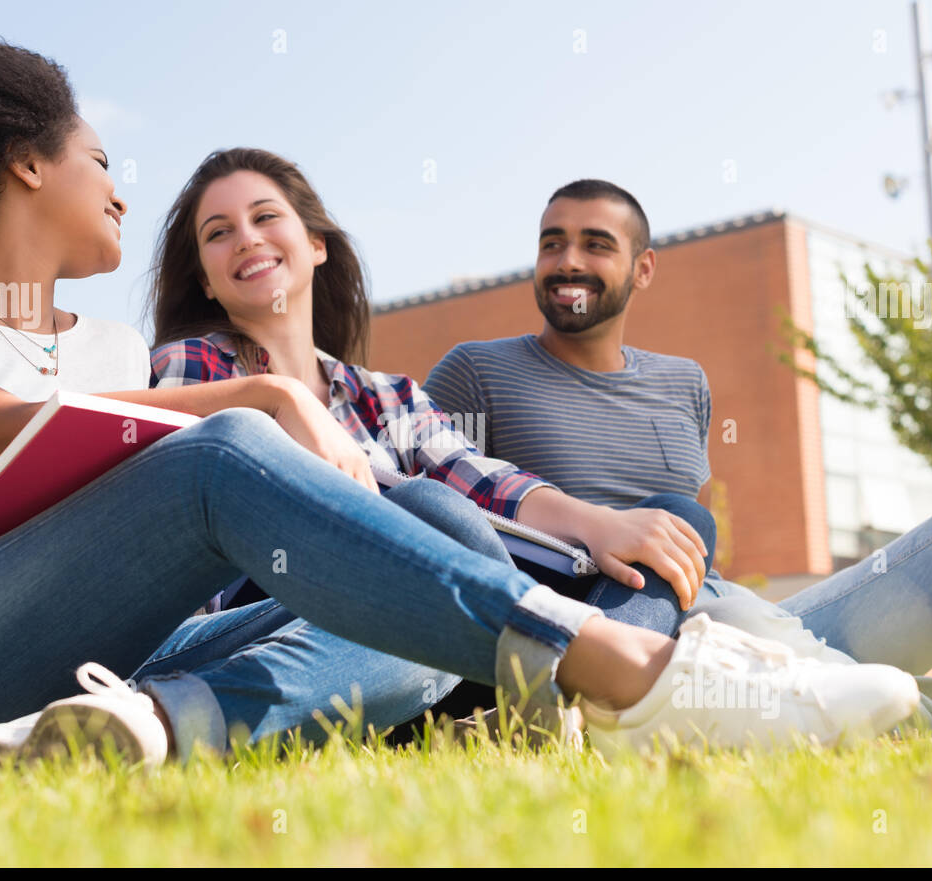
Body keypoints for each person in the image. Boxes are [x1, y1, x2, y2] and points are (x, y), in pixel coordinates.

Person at [0, 41, 918, 771]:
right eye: (97, 158)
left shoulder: (106, 345)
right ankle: (631, 676)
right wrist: (266, 394)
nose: (121, 186)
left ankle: (144, 730)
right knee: (228, 441)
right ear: (24, 165)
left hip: (90, 669)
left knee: (424, 563)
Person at [423, 178, 932, 730]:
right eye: (551, 243)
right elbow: (440, 544)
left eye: (596, 244)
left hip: (729, 614)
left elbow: (698, 541)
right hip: (604, 637)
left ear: (643, 267)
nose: (568, 261)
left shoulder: (684, 383)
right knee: (854, 691)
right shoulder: (476, 372)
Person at [147, 148, 723, 722]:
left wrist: (598, 524)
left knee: (675, 519)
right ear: (205, 280)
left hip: (442, 630)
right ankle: (578, 691)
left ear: (317, 244)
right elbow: (191, 534)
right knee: (426, 507)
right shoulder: (194, 364)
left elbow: (482, 481)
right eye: (219, 232)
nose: (246, 238)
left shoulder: (385, 394)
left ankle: (568, 706)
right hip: (304, 621)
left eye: (265, 217)